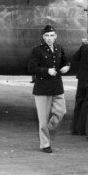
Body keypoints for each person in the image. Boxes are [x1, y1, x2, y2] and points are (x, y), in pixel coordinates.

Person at [27, 24, 70, 153]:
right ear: (43, 37)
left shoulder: (59, 48)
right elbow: (31, 68)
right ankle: (45, 144)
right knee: (43, 118)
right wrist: (46, 71)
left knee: (61, 112)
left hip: (57, 86)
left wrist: (67, 67)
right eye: (46, 36)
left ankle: (48, 129)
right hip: (42, 88)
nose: (49, 38)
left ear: (55, 36)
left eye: (51, 36)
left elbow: (65, 61)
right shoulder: (37, 50)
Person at [70, 36, 88, 136]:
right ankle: (81, 129)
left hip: (81, 78)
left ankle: (74, 128)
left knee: (78, 102)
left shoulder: (84, 47)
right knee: (87, 104)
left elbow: (75, 58)